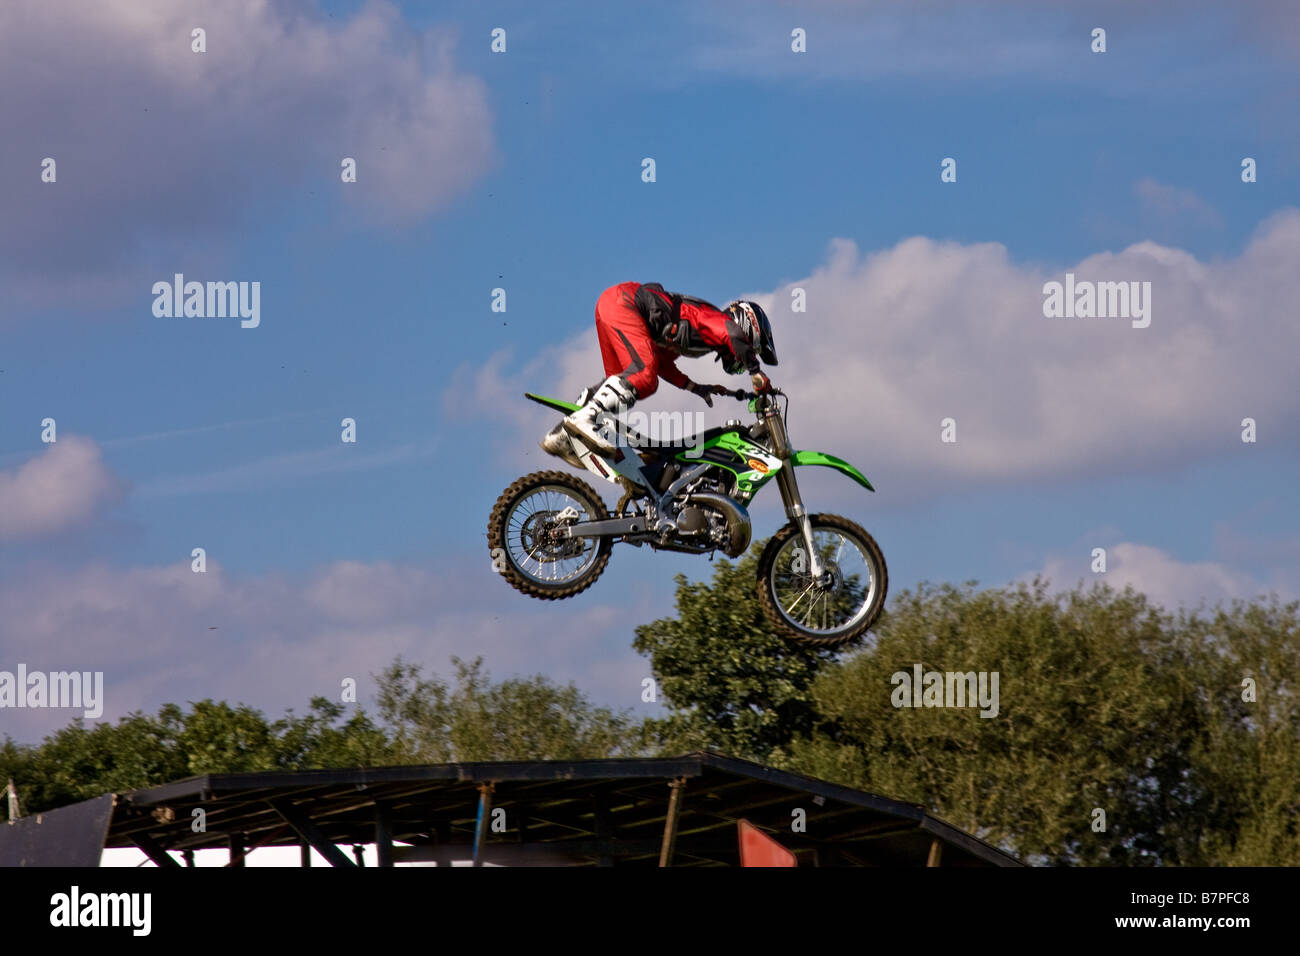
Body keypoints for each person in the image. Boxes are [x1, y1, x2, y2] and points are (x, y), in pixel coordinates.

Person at [541, 281, 778, 460]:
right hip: (624, 303)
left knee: (622, 384)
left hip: (614, 305)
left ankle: (562, 434)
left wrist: (694, 387)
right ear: (748, 329)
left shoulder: (702, 338)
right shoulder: (714, 319)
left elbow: (660, 362)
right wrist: (756, 372)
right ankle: (585, 418)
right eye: (751, 350)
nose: (745, 355)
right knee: (644, 377)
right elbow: (733, 334)